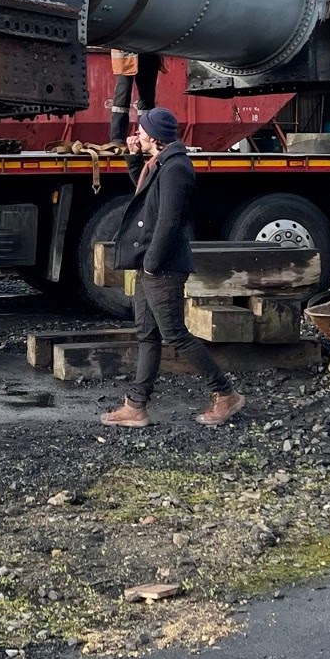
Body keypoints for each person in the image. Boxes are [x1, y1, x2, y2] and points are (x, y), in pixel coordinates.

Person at [100, 106, 244, 428]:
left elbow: (169, 221)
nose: (137, 134)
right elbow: (145, 196)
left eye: (141, 130)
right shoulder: (161, 163)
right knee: (147, 334)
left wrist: (151, 264)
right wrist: (133, 158)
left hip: (162, 266)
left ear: (155, 137)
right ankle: (136, 407)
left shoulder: (176, 168)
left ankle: (225, 394)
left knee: (175, 334)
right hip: (151, 263)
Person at [106, 48, 163, 146]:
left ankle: (146, 138)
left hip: (149, 53)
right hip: (125, 53)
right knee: (122, 96)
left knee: (147, 99)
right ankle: (117, 140)